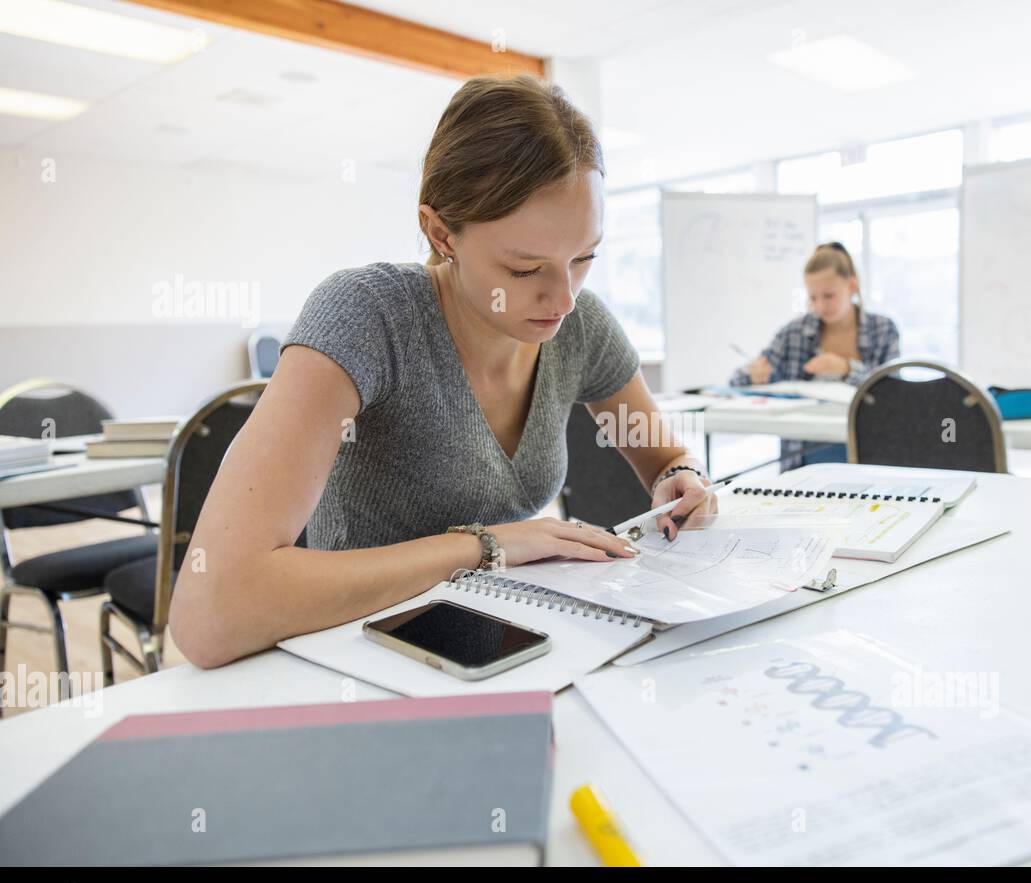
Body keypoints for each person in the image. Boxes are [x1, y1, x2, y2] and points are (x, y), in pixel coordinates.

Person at [169, 75, 711, 668]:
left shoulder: (581, 327)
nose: (564, 299)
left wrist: (679, 477)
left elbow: (663, 457)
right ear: (440, 232)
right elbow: (210, 612)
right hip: (359, 654)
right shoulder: (367, 315)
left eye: (584, 257)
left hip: (499, 639)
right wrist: (484, 547)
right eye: (525, 268)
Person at [730, 241, 900, 468]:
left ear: (851, 286)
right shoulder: (794, 332)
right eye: (813, 298)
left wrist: (847, 369)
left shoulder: (883, 329)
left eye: (829, 296)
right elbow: (735, 381)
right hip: (803, 458)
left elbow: (894, 395)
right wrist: (754, 375)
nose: (820, 306)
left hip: (868, 452)